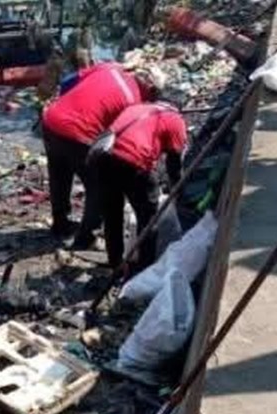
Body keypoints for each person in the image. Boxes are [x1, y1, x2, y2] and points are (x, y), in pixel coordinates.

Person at [40, 62, 163, 248]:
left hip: (51, 119)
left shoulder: (110, 68)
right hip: (77, 134)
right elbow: (118, 136)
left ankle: (60, 223)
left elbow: (67, 81)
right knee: (98, 187)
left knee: (59, 174)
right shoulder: (133, 101)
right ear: (150, 88)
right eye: (153, 96)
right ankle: (86, 238)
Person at [94, 102, 187, 270]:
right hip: (134, 163)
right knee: (148, 218)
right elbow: (174, 163)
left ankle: (115, 262)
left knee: (112, 214)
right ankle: (144, 266)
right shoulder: (176, 120)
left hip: (103, 158)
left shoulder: (135, 108)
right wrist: (178, 189)